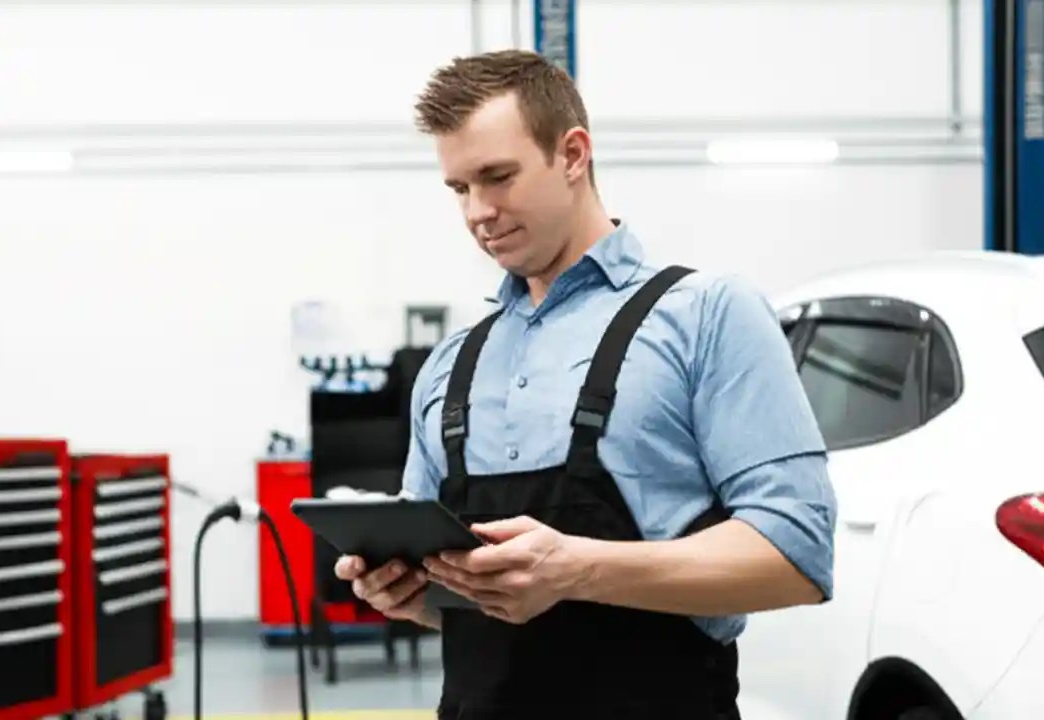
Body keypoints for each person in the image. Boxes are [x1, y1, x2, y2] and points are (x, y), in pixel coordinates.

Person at [334, 49, 836, 720]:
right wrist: (404, 592)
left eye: (497, 177)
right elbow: (455, 602)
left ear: (573, 155)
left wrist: (578, 569)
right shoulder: (450, 367)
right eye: (459, 188)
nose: (478, 211)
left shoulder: (706, 317)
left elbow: (797, 553)